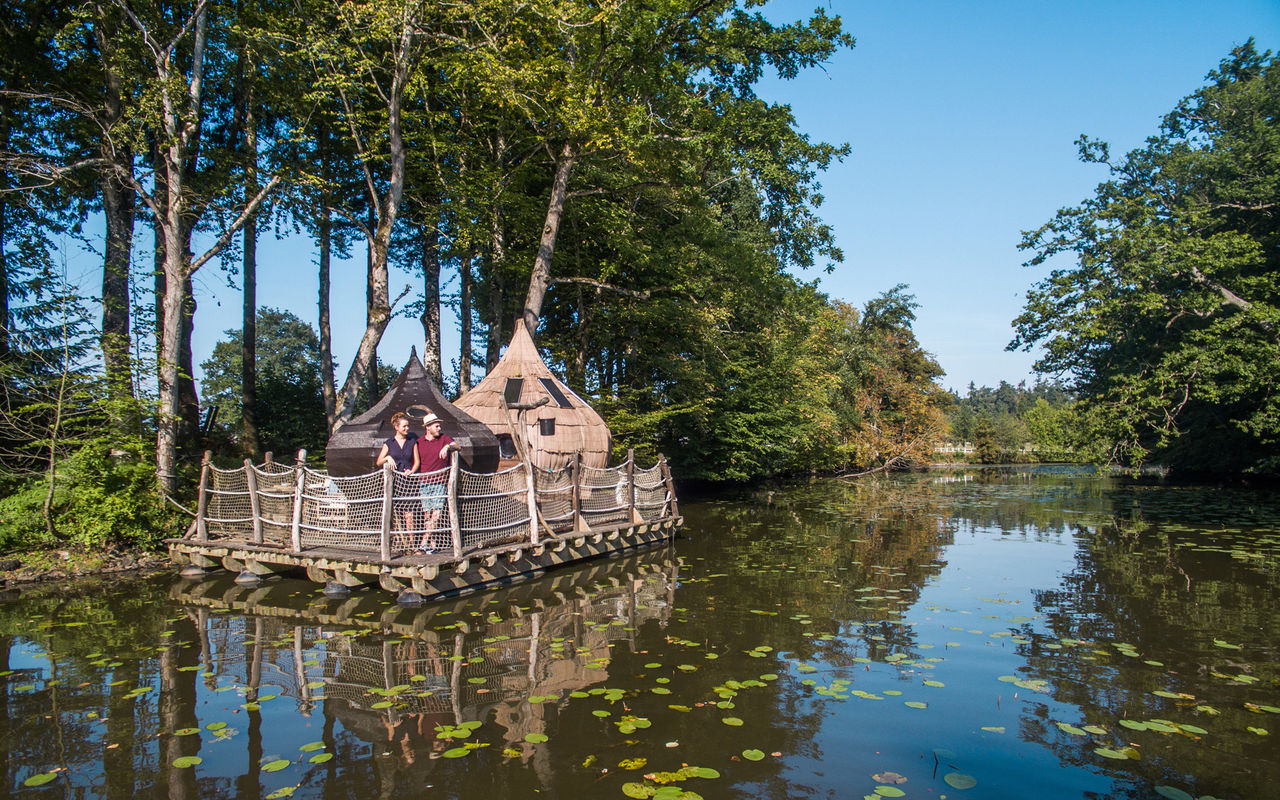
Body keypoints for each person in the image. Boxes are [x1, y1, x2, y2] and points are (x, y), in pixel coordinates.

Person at [414, 412, 457, 554]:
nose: (439, 428)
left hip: (439, 482)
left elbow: (457, 446)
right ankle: (432, 545)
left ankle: (423, 542)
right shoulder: (419, 442)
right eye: (436, 426)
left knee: (436, 515)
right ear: (428, 427)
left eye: (439, 426)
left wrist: (447, 447)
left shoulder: (444, 438)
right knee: (427, 515)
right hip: (424, 482)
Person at [376, 412, 419, 531]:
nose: (407, 428)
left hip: (408, 482)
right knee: (395, 514)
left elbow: (417, 462)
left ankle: (412, 546)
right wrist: (387, 458)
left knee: (409, 515)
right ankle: (399, 542)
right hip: (394, 482)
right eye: (404, 426)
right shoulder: (389, 443)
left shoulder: (412, 442)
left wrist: (412, 470)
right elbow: (379, 461)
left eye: (407, 426)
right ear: (396, 427)